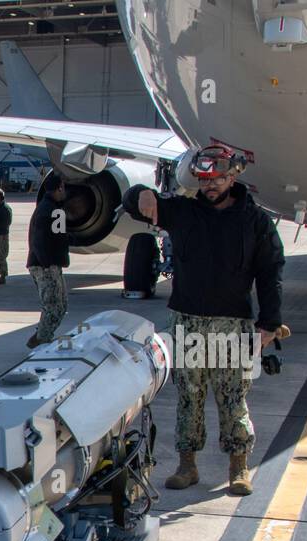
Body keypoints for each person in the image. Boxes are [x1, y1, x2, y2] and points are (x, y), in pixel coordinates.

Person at [121, 145, 284, 496]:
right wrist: (142, 194)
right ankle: (187, 465)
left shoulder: (255, 222)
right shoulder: (183, 212)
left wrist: (269, 323)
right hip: (189, 321)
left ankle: (239, 467)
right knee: (189, 396)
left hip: (233, 324)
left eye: (219, 179)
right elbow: (133, 200)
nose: (211, 186)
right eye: (205, 180)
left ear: (234, 176)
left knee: (233, 397)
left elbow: (271, 272)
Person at [26, 174, 70, 347]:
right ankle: (42, 339)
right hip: (45, 265)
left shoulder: (51, 209)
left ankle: (43, 334)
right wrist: (47, 264)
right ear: (59, 188)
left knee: (60, 305)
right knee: (53, 305)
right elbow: (38, 241)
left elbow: (59, 237)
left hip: (49, 263)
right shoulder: (49, 210)